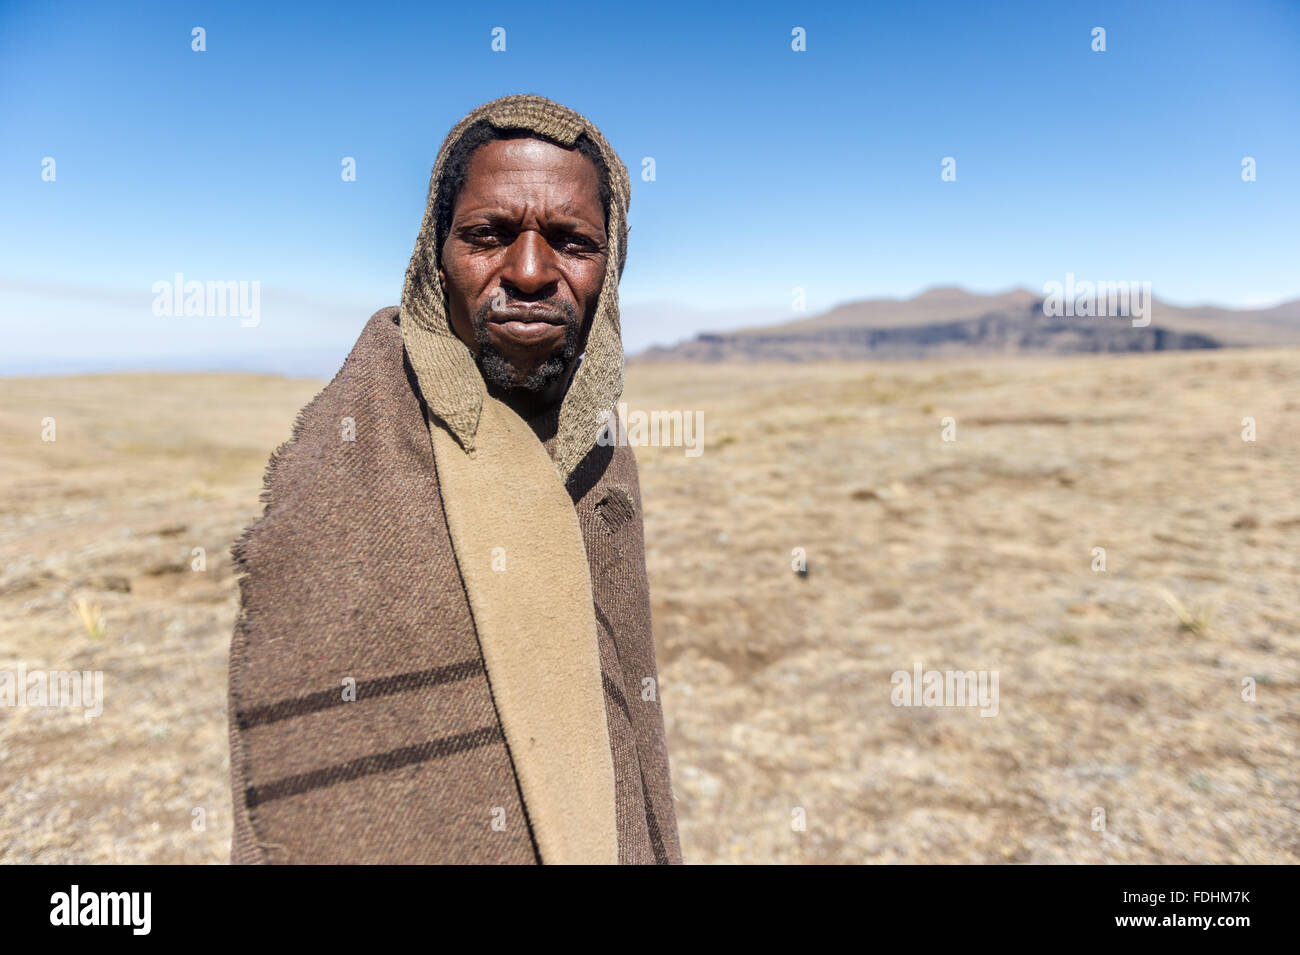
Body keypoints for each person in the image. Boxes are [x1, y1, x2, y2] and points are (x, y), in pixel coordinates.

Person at [226, 93, 682, 864]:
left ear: (612, 267)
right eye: (488, 236)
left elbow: (621, 698)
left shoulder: (598, 439)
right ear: (434, 257)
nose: (530, 271)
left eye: (572, 241)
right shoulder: (354, 452)